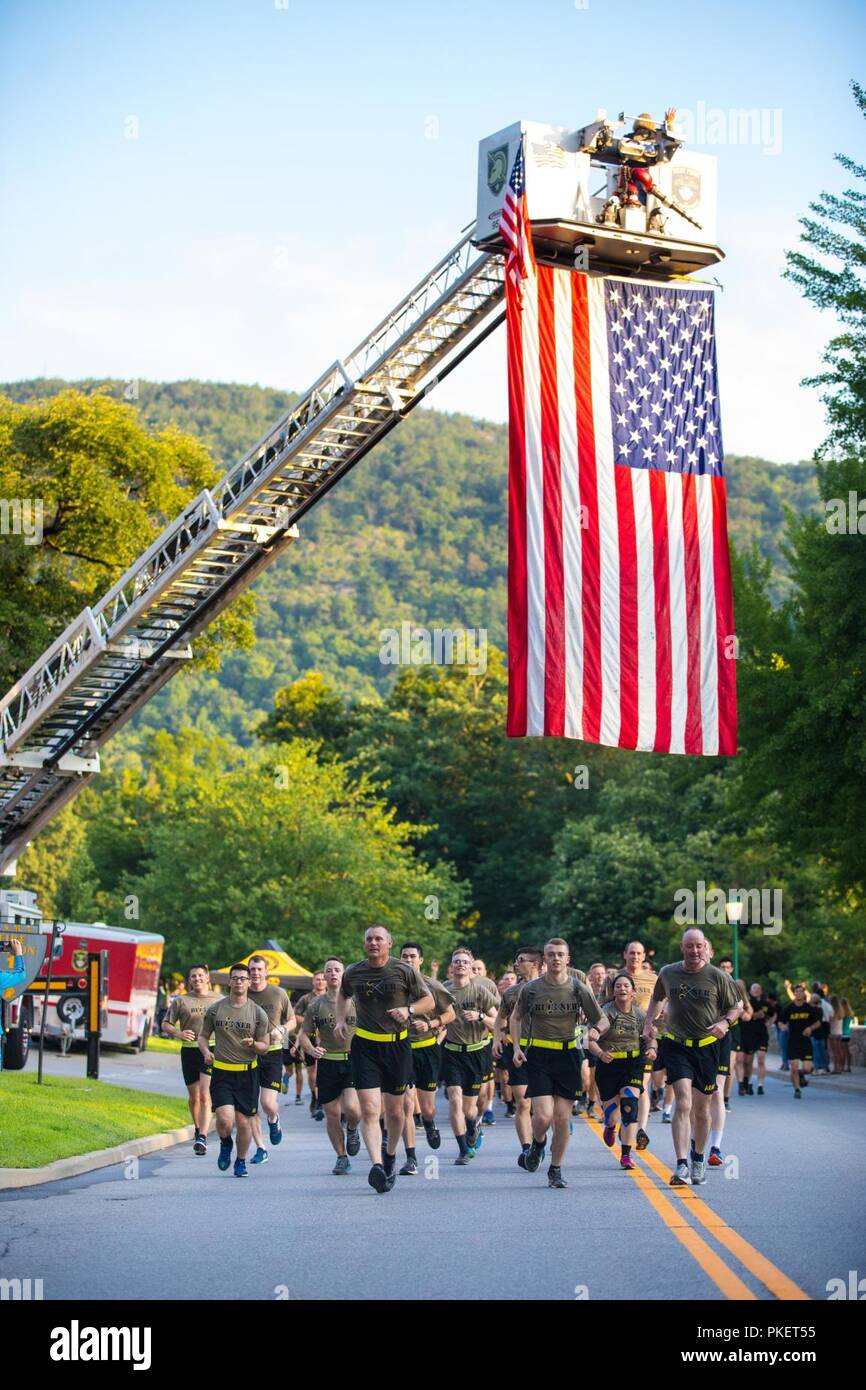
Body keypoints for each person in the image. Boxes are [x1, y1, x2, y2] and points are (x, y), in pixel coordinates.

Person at [334, 924, 433, 1193]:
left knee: (397, 1111)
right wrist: (341, 1020)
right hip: (365, 1046)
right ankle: (377, 1166)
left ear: (389, 943)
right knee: (369, 1109)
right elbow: (342, 994)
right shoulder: (354, 972)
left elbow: (429, 1001)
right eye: (369, 939)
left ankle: (390, 1156)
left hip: (397, 1047)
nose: (373, 943)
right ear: (364, 944)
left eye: (379, 939)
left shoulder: (404, 970)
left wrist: (408, 1009)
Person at [643, 928, 742, 1187]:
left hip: (707, 1046)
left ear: (705, 947)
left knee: (702, 1107)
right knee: (683, 1102)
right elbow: (656, 999)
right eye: (690, 946)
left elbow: (737, 1006)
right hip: (677, 1046)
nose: (695, 951)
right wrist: (648, 1024)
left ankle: (698, 1157)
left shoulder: (717, 976)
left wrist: (725, 1023)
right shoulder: (668, 972)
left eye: (699, 946)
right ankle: (681, 1163)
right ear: (682, 947)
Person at [510, 938, 608, 1189]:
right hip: (539, 1056)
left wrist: (595, 1031)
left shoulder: (577, 988)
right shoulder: (531, 989)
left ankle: (555, 1169)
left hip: (568, 1056)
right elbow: (516, 1017)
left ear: (567, 959)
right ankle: (538, 1143)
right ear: (544, 959)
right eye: (550, 954)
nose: (555, 958)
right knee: (543, 1117)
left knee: (562, 1118)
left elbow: (603, 1020)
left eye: (560, 955)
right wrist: (518, 1048)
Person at [198, 963, 270, 1177]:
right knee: (224, 1119)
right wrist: (205, 1052)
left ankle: (240, 1161)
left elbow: (265, 1047)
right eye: (235, 978)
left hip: (248, 1073)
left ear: (249, 982)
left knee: (244, 1121)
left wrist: (254, 1045)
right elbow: (203, 1036)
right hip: (222, 1072)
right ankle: (225, 1142)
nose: (239, 981)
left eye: (243, 978)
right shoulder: (215, 1009)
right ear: (229, 981)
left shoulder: (258, 1013)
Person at [297, 958, 361, 1174]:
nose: (333, 974)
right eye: (329, 971)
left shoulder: (357, 1001)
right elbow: (303, 1035)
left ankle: (352, 1128)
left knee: (352, 1108)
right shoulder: (316, 1005)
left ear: (344, 974)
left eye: (337, 970)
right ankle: (341, 1157)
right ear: (323, 977)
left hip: (353, 1061)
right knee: (331, 1113)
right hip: (327, 1063)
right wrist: (310, 1049)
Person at [587, 972, 655, 1171]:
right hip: (608, 1066)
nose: (622, 989)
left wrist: (652, 1048)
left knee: (629, 1106)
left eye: (626, 986)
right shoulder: (605, 1012)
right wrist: (600, 1053)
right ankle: (609, 1126)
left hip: (633, 1064)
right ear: (613, 991)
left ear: (633, 992)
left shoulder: (640, 1015)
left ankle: (626, 1154)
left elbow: (650, 1037)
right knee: (612, 1115)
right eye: (618, 986)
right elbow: (591, 1041)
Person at [397, 942, 455, 1170]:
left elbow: (450, 1014)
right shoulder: (394, 986)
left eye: (413, 956)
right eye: (404, 956)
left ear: (420, 960)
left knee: (427, 1107)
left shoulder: (433, 985)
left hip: (428, 1048)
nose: (408, 960)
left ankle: (429, 1122)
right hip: (401, 1050)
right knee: (406, 1105)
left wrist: (431, 1023)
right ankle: (411, 1157)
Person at [441, 948, 499, 1164]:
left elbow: (498, 1024)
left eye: (465, 962)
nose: (461, 965)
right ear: (452, 965)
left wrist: (480, 1016)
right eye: (457, 961)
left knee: (470, 1108)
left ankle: (473, 1125)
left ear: (470, 965)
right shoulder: (444, 991)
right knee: (455, 1099)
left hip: (476, 1053)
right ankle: (463, 1148)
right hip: (452, 1053)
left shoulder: (480, 991)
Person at [602, 941, 658, 1147]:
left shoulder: (653, 979)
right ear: (625, 954)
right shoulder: (612, 978)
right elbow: (601, 1005)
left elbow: (662, 1003)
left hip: (642, 1037)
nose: (635, 957)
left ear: (644, 957)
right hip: (615, 1040)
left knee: (641, 1085)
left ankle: (639, 1129)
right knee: (616, 1096)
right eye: (631, 953)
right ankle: (613, 1123)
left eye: (639, 953)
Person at [162, 964, 220, 1154]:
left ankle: (202, 1137)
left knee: (205, 1095)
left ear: (207, 978)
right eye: (193, 976)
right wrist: (178, 1033)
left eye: (200, 975)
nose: (197, 979)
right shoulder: (181, 1001)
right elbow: (165, 1024)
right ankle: (197, 1129)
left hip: (210, 1050)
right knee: (194, 1097)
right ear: (189, 980)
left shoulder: (219, 1000)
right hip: (189, 1051)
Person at [493, 946, 542, 1167]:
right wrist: (496, 1039)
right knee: (523, 1102)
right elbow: (500, 1018)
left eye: (521, 960)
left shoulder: (549, 988)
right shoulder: (512, 992)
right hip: (519, 1052)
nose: (516, 963)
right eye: (516, 960)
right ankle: (526, 1149)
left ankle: (539, 1140)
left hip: (545, 1052)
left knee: (542, 1109)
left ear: (536, 963)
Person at [247, 956, 294, 1164]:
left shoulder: (278, 993)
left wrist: (283, 1030)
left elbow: (291, 1021)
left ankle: (274, 1119)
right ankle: (260, 1148)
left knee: (267, 1103)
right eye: (252, 970)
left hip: (273, 1053)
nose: (255, 973)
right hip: (247, 1054)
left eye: (259, 969)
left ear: (266, 972)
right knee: (250, 1106)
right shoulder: (240, 995)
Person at [291, 971, 328, 1116]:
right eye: (317, 979)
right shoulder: (306, 999)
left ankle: (321, 1100)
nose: (320, 982)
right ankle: (314, 1095)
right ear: (313, 982)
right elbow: (294, 1016)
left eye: (322, 979)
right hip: (309, 1037)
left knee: (322, 1070)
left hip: (326, 1039)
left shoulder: (332, 997)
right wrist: (309, 1020)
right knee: (312, 1072)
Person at [470, 957, 500, 1126]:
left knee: (487, 1081)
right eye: (473, 968)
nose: (475, 971)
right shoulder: (453, 986)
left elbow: (497, 1016)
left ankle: (487, 1109)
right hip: (460, 1044)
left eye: (479, 968)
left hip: (485, 1040)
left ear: (485, 971)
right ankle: (468, 1120)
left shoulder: (488, 986)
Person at [778, 984, 821, 1099]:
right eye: (796, 991)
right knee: (794, 1068)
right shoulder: (788, 1008)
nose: (798, 993)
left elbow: (818, 1022)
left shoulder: (809, 1008)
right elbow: (780, 1022)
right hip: (793, 1041)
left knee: (807, 1068)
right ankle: (797, 1089)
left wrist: (810, 1028)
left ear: (804, 993)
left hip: (805, 1042)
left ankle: (801, 1074)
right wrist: (783, 1027)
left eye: (801, 991)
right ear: (794, 993)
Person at [739, 983, 773, 1095]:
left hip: (762, 1035)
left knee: (761, 1059)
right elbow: (744, 1014)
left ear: (761, 991)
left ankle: (760, 1085)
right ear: (750, 990)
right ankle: (745, 1081)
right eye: (754, 988)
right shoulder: (747, 1002)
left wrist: (769, 1022)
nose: (756, 990)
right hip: (747, 1035)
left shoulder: (766, 1004)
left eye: (759, 988)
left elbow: (773, 1014)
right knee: (747, 1061)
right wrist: (755, 1015)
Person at [839, 998, 856, 1072]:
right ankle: (848, 1067)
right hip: (848, 1033)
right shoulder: (849, 1013)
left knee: (842, 1051)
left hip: (842, 1033)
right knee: (847, 1051)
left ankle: (842, 1067)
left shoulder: (842, 1014)